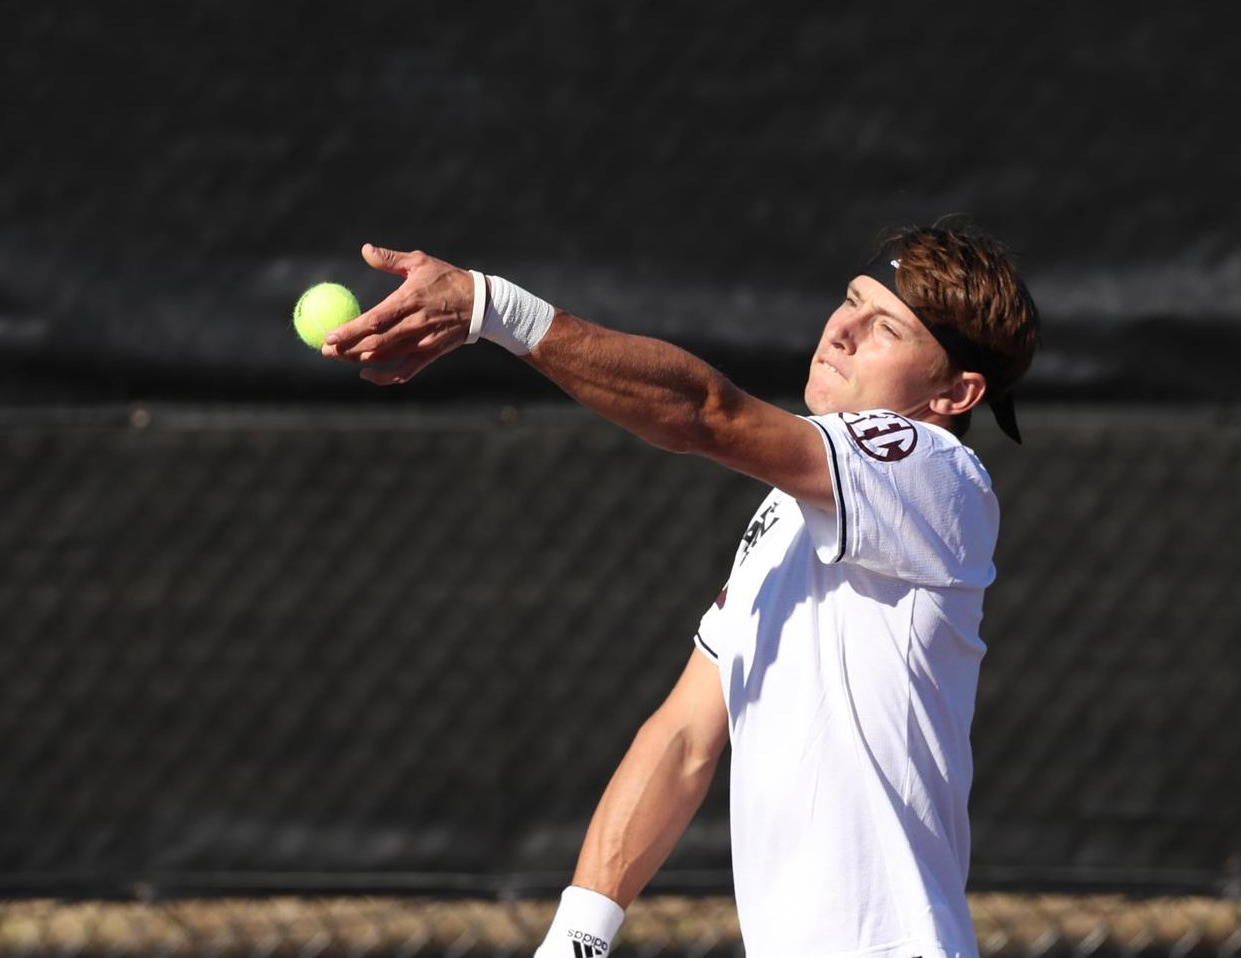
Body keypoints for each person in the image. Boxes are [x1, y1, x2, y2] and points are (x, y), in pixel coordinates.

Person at [323, 224, 1039, 958]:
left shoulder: (937, 473)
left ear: (956, 391)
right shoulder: (787, 512)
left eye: (883, 327)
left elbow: (704, 413)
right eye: (850, 302)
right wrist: (576, 936)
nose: (842, 331)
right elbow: (684, 737)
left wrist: (491, 308)